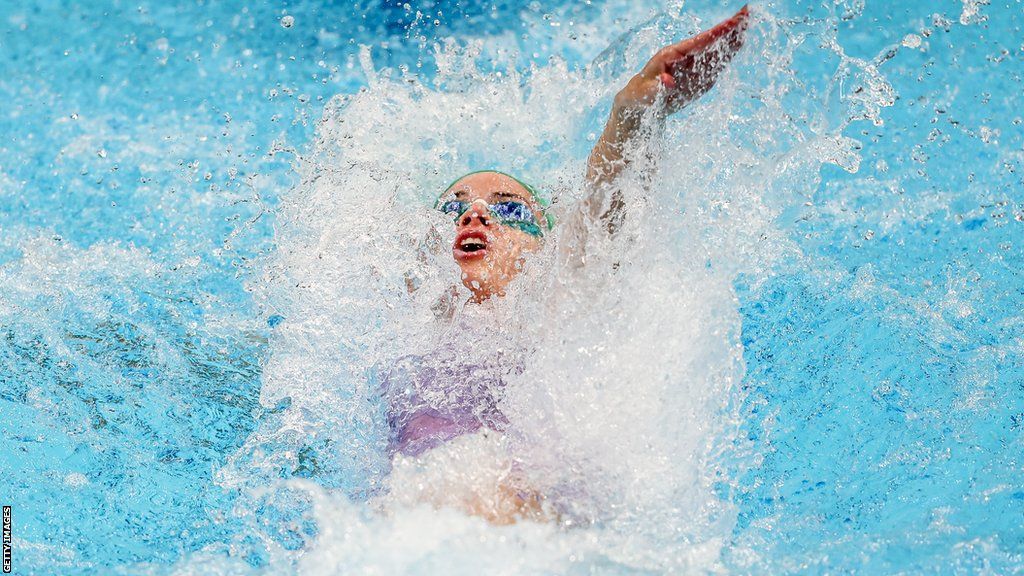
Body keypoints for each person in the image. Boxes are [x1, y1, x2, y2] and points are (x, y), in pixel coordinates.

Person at [378, 6, 750, 524]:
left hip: (535, 513)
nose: (474, 214)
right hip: (408, 521)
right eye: (452, 209)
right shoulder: (399, 331)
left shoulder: (551, 314)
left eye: (509, 210)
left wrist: (635, 112)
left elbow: (604, 210)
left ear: (546, 248)